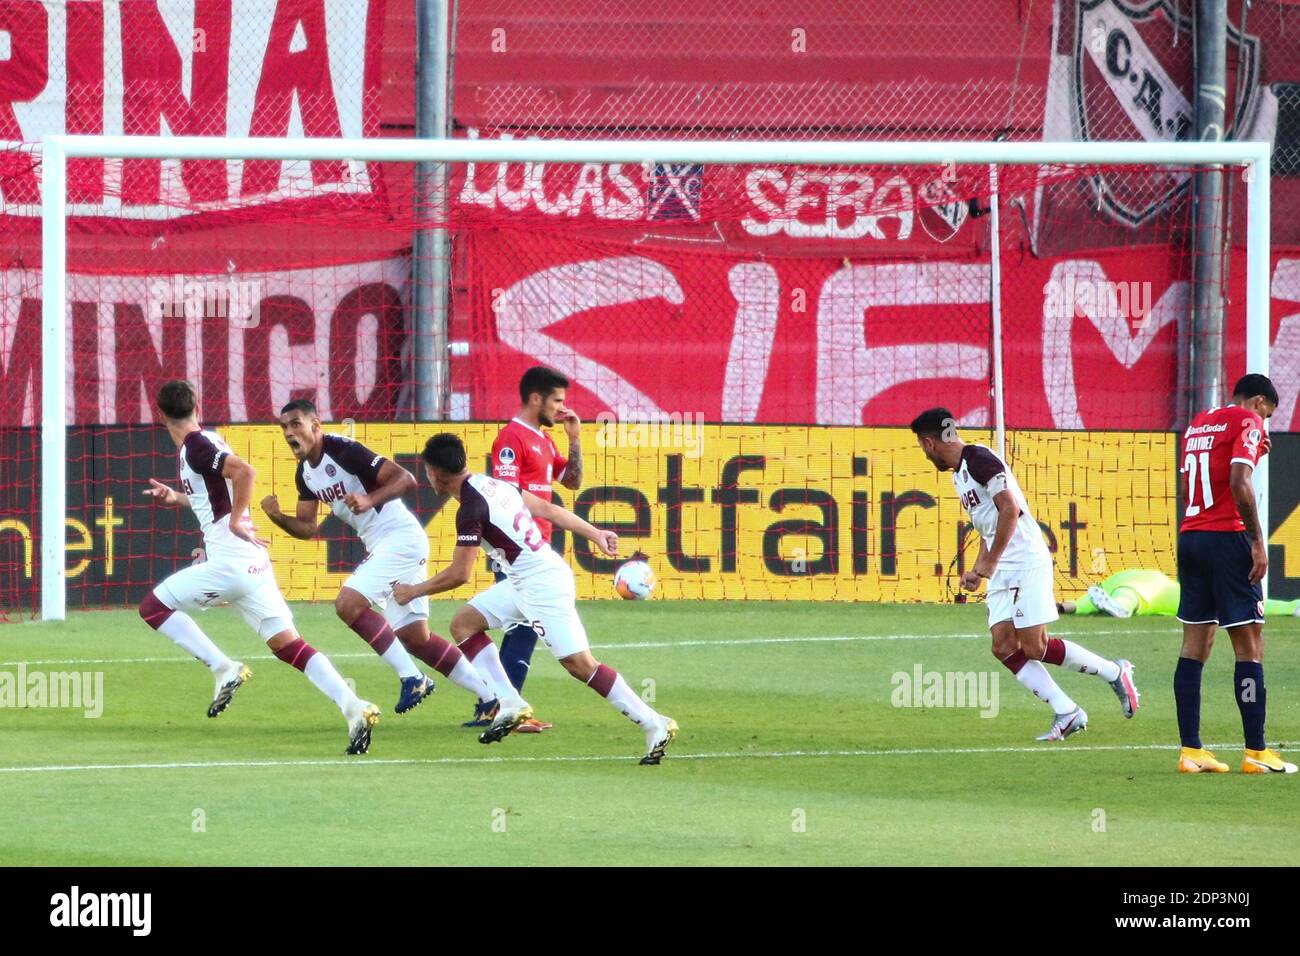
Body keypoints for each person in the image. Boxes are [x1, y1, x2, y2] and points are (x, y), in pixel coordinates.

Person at [394, 433, 678, 764]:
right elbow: (546, 508)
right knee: (464, 624)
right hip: (525, 578)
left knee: (580, 664)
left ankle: (653, 723)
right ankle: (510, 703)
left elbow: (460, 574)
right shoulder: (493, 485)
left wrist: (413, 591)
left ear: (435, 474)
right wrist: (595, 533)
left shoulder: (470, 508)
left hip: (541, 585)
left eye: (428, 472)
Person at [139, 381, 379, 755]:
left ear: (160, 416)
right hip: (249, 563)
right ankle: (354, 707)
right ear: (198, 407)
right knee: (288, 645)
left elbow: (245, 473)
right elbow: (215, 496)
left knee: (152, 608)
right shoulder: (208, 441)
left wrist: (236, 521)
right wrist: (177, 497)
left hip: (230, 561)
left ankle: (223, 668)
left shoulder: (197, 445)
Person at [911, 408, 1139, 741]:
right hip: (1003, 565)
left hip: (1026, 562)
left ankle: (1116, 672)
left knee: (1034, 646)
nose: (924, 452)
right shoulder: (958, 474)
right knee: (1003, 645)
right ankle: (1067, 711)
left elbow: (1010, 509)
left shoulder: (979, 459)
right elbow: (989, 525)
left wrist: (989, 564)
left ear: (930, 443)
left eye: (921, 445)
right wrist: (980, 568)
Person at [260, 400, 499, 717]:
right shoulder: (304, 474)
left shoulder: (343, 450)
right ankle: (490, 699)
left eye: (296, 424)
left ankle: (412, 678)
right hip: (387, 545)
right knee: (416, 639)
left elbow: (405, 479)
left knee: (347, 604)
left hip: (400, 539)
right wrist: (277, 516)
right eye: (284, 427)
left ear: (315, 424)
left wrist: (369, 498)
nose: (289, 433)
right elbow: (307, 527)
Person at [1173, 374, 1296, 774]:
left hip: (1191, 539)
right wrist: (1258, 541)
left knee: (1195, 645)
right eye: (1268, 412)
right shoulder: (1248, 421)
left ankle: (1191, 751)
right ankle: (1256, 753)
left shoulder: (1200, 421)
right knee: (1249, 647)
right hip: (1227, 541)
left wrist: (1255, 454)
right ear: (1258, 401)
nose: (1266, 421)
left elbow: (1207, 478)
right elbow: (1238, 481)